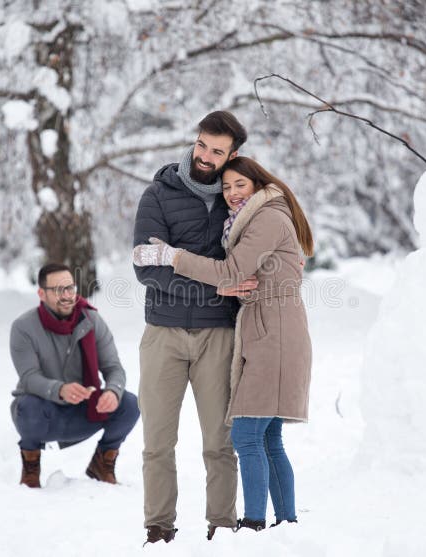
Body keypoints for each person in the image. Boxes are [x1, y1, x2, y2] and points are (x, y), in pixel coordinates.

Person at [133, 156, 313, 531]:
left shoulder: (265, 218)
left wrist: (172, 256)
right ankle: (287, 525)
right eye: (226, 187)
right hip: (265, 329)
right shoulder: (254, 218)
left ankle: (250, 525)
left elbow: (231, 272)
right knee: (267, 437)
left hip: (272, 333)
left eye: (240, 186)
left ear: (258, 184)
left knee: (246, 435)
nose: (231, 194)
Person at [133, 110, 259, 544]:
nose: (206, 156)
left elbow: (250, 262)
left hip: (218, 337)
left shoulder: (240, 198)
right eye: (202, 145)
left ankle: (222, 528)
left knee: (219, 443)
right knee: (157, 442)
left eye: (217, 151)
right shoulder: (158, 195)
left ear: (233, 154)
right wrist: (217, 289)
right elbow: (148, 269)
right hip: (163, 335)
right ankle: (158, 530)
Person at [9, 263, 139, 488]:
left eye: (71, 287)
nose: (68, 295)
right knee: (25, 406)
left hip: (85, 409)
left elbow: (114, 368)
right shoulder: (23, 327)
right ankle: (31, 467)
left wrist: (112, 392)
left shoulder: (91, 320)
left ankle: (103, 462)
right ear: (42, 293)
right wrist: (60, 390)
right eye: (59, 290)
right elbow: (29, 377)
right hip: (45, 412)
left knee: (129, 404)